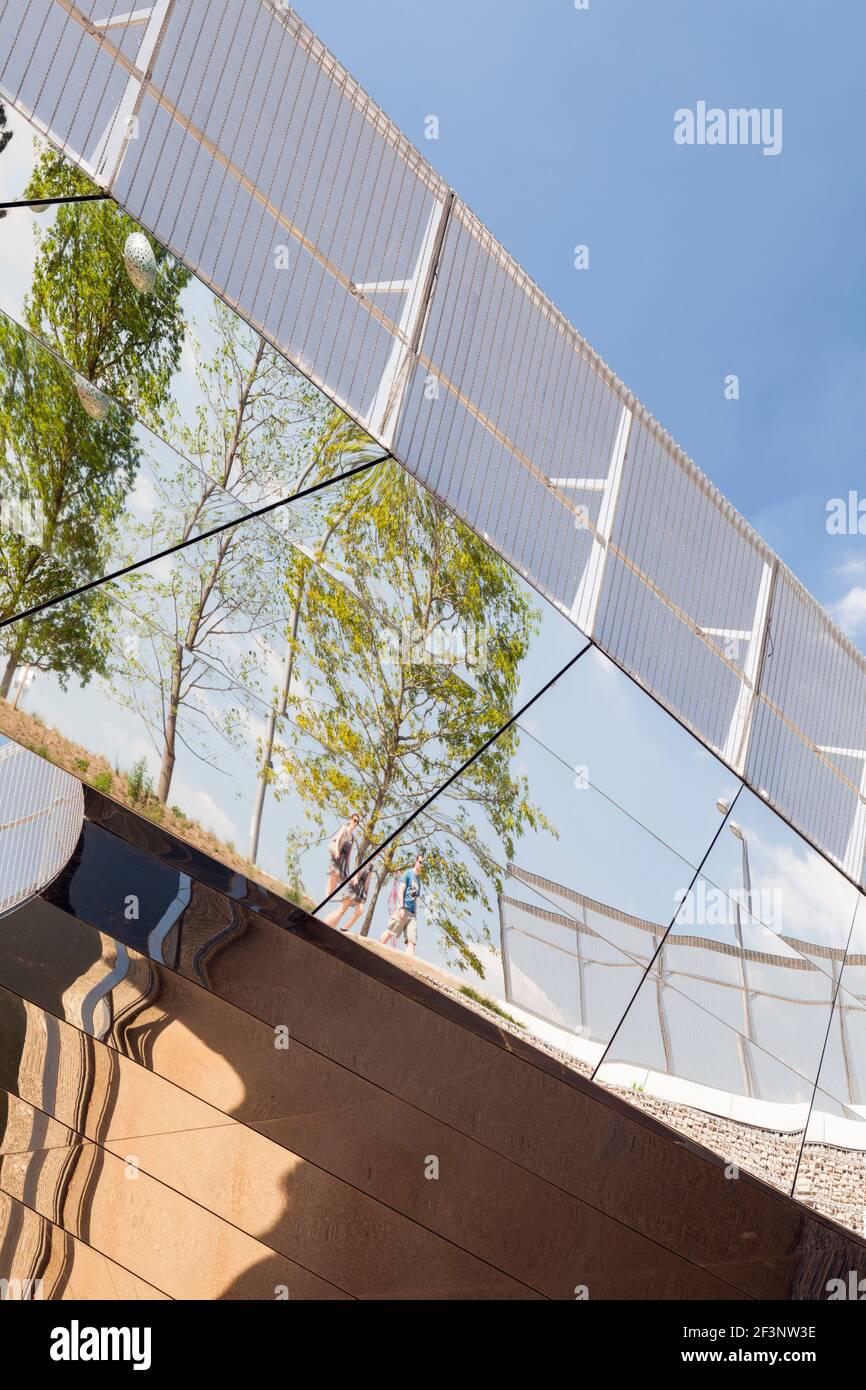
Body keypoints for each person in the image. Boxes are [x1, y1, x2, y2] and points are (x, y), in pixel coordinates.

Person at [380, 850, 424, 957]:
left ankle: (408, 965)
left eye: (423, 863)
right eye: (420, 862)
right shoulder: (408, 873)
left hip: (412, 915)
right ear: (416, 861)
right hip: (403, 910)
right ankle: (376, 949)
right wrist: (402, 907)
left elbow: (416, 898)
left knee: (412, 942)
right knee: (391, 932)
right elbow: (401, 890)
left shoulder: (418, 881)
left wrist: (415, 913)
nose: (421, 865)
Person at [325, 863, 373, 933]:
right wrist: (355, 878)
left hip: (360, 891)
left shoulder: (371, 867)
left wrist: (366, 894)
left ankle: (343, 929)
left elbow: (367, 882)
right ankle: (327, 924)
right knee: (342, 910)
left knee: (360, 911)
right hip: (354, 887)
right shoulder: (363, 860)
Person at [325, 813, 360, 898]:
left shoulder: (352, 837)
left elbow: (349, 854)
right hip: (337, 857)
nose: (355, 823)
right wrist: (336, 850)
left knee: (334, 884)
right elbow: (337, 840)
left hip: (343, 861)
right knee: (332, 879)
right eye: (354, 820)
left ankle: (326, 898)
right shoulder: (344, 829)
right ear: (350, 819)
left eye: (357, 822)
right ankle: (325, 899)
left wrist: (347, 867)